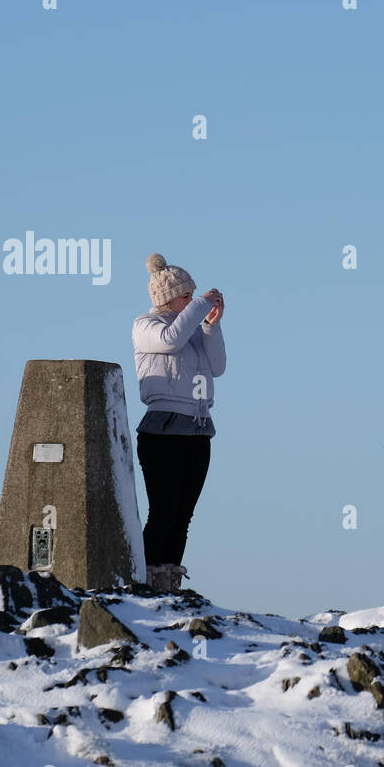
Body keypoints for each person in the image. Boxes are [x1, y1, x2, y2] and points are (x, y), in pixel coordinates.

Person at [132, 252, 226, 594]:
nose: (192, 301)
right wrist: (200, 307)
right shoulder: (146, 326)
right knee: (164, 509)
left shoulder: (194, 330)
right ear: (169, 297)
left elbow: (217, 366)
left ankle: (167, 580)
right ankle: (145, 577)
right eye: (187, 296)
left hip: (198, 430)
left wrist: (212, 325)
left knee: (183, 513)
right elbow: (170, 340)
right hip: (162, 429)